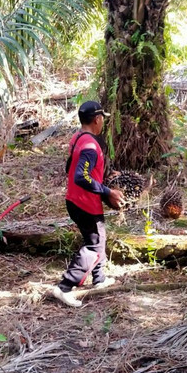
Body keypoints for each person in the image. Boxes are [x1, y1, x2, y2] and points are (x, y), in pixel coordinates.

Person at [52, 101, 125, 308]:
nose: (103, 122)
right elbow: (80, 176)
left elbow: (73, 167)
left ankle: (99, 279)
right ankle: (64, 287)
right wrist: (108, 191)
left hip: (74, 199)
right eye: (102, 118)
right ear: (97, 119)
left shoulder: (78, 138)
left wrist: (103, 177)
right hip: (84, 203)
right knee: (93, 245)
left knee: (98, 238)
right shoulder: (91, 146)